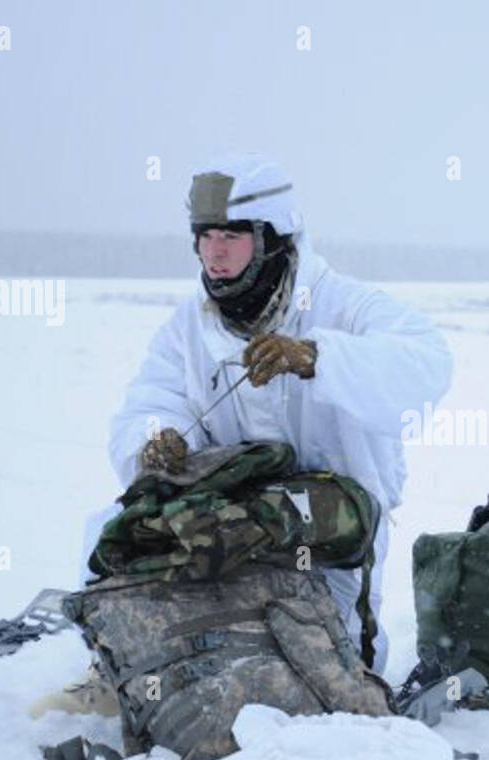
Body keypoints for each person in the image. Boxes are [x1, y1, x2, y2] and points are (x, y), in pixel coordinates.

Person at [77, 154, 453, 675]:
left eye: (232, 235)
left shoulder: (343, 305)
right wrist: (154, 439)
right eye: (204, 236)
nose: (215, 252)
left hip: (330, 542)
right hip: (229, 529)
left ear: (275, 236)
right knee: (112, 535)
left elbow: (427, 365)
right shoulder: (189, 326)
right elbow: (150, 398)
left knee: (318, 667)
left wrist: (319, 358)